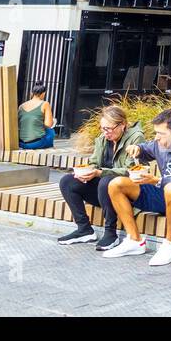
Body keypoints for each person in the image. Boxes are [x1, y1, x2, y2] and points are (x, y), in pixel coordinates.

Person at [102, 108, 171, 266]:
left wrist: (157, 181)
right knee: (116, 184)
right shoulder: (160, 143)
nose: (157, 138)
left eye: (160, 134)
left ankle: (170, 245)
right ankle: (134, 240)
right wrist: (137, 149)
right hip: (165, 194)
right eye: (156, 133)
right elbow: (147, 149)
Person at [56, 105, 144, 249]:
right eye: (103, 128)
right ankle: (84, 229)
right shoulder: (103, 138)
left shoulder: (136, 137)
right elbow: (94, 163)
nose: (105, 133)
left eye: (109, 128)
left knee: (106, 181)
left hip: (126, 194)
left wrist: (99, 173)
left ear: (122, 125)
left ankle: (111, 233)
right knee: (67, 181)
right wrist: (86, 171)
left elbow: (130, 170)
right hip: (104, 194)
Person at [17, 84, 56, 150]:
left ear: (32, 93)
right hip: (36, 143)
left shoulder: (21, 106)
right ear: (43, 94)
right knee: (50, 131)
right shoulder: (45, 104)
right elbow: (48, 124)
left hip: (21, 143)